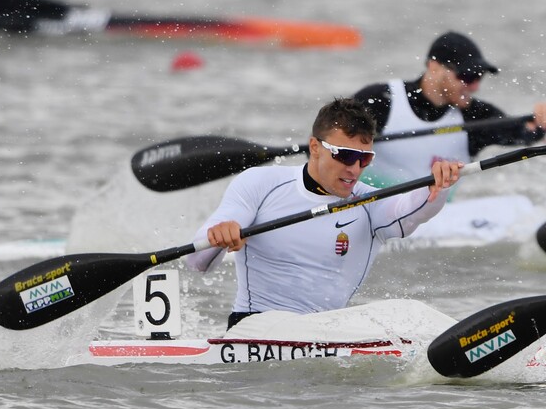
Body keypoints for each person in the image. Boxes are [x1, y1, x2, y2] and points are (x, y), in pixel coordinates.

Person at [185, 97, 462, 329]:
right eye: (344, 155)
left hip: (325, 335)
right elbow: (197, 262)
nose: (354, 168)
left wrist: (436, 187)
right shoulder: (260, 184)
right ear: (315, 147)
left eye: (364, 159)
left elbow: (412, 210)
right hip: (252, 329)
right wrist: (217, 237)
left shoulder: (371, 203)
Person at [353, 31, 546, 187]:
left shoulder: (475, 117)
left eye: (479, 77)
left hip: (434, 219)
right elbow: (333, 148)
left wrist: (542, 122)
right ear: (434, 67)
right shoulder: (379, 100)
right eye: (467, 76)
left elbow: (523, 134)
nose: (474, 87)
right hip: (376, 214)